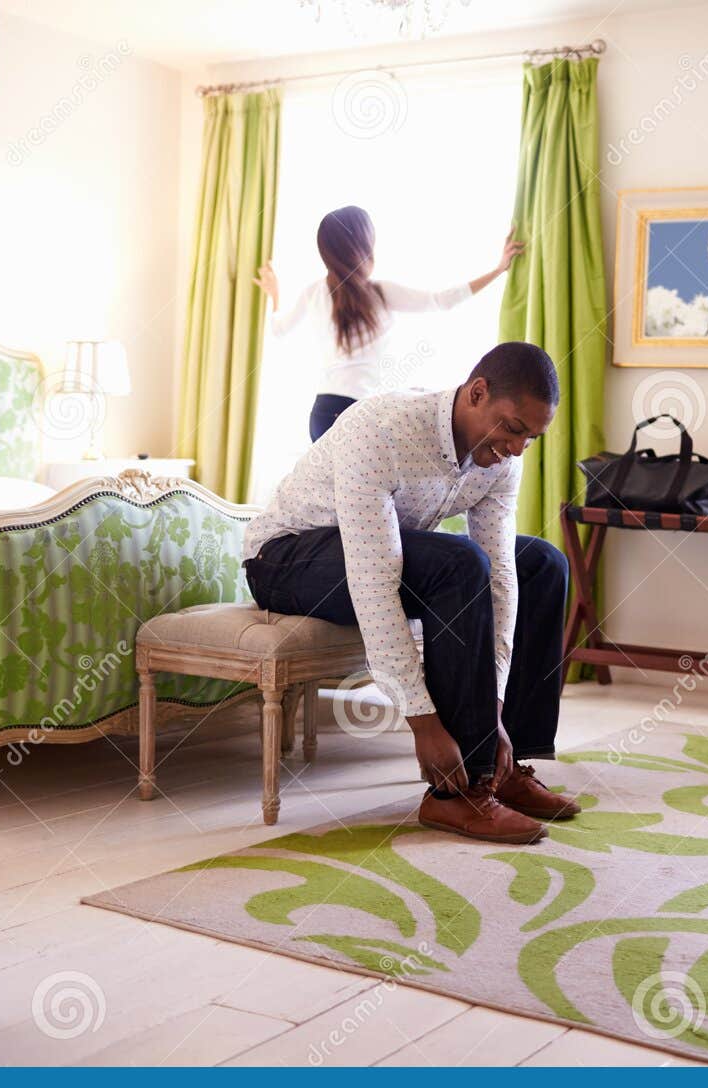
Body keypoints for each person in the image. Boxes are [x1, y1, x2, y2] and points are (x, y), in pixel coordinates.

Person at [242, 341, 575, 844]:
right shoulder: (380, 428)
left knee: (541, 564)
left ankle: (505, 764)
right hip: (285, 560)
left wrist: (496, 704)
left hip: (378, 550)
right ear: (477, 393)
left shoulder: (504, 457)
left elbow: (502, 575)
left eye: (532, 436)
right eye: (511, 429)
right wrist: (423, 722)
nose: (517, 448)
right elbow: (375, 579)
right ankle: (456, 795)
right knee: (460, 564)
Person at [254, 205, 523, 441]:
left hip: (322, 412)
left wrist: (274, 295)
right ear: (364, 246)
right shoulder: (379, 293)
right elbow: (441, 301)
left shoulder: (312, 292)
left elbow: (278, 329)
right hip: (359, 413)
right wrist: (498, 270)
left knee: (332, 497)